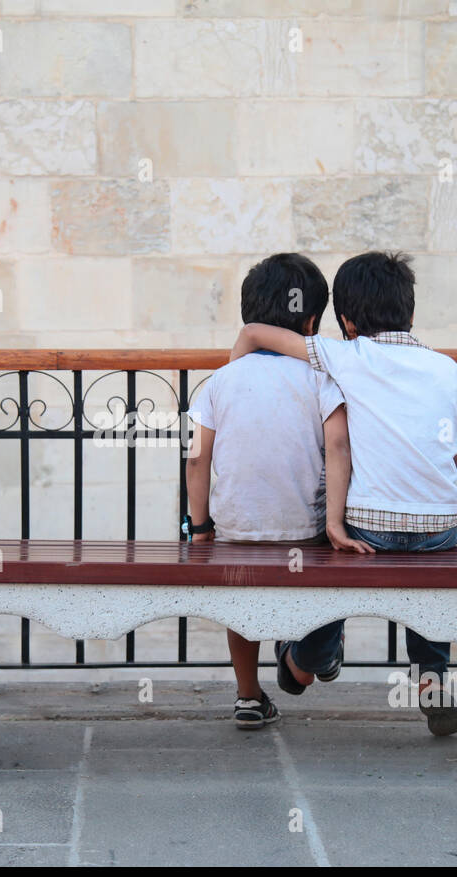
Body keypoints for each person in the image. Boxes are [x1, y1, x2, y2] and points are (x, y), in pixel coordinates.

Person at [229, 251, 457, 736]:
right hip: (439, 529)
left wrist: (237, 359)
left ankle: (304, 662)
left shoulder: (348, 354)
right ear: (410, 313)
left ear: (345, 322)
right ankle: (433, 682)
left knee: (333, 576)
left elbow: (261, 334)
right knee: (430, 592)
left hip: (368, 524)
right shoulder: (447, 368)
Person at [185, 253, 360, 729]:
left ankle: (247, 695)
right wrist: (335, 519)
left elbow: (197, 457)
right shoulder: (323, 377)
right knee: (330, 580)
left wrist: (198, 527)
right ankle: (307, 659)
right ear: (310, 321)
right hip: (306, 531)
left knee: (242, 602)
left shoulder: (219, 381)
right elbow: (339, 445)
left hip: (235, 530)